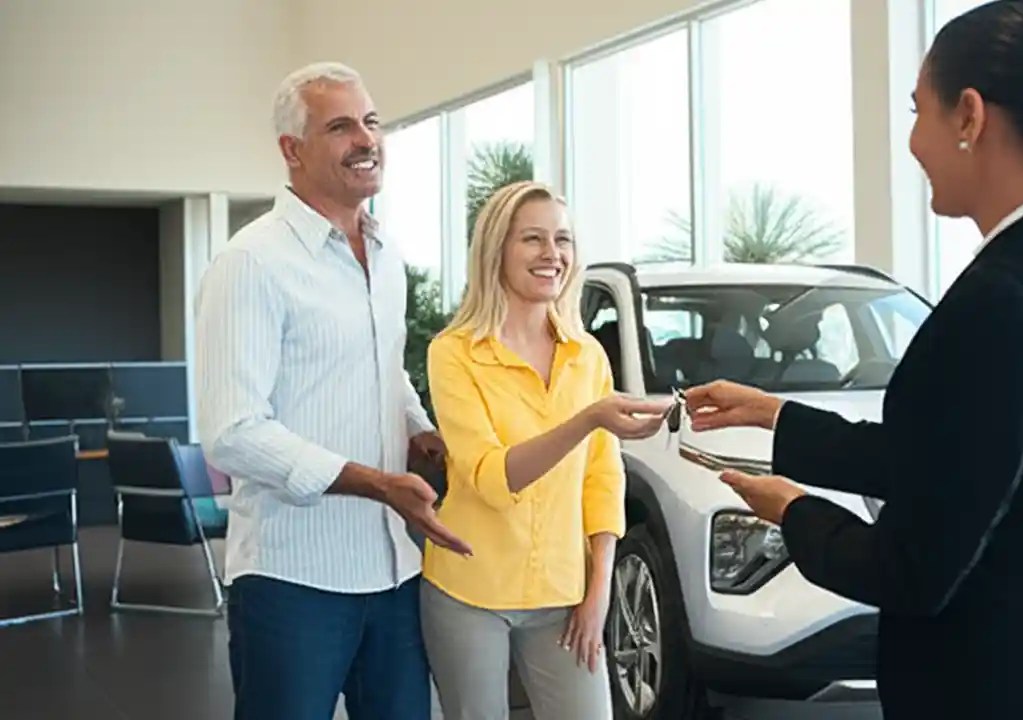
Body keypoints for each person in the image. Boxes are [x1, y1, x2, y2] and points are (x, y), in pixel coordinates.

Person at [683, 2, 1023, 718]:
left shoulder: (1002, 301)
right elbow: (950, 462)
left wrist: (794, 513)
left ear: (968, 116)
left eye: (918, 111)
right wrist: (774, 416)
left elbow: (911, 572)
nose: (912, 142)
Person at [194, 61, 470, 720]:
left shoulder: (388, 251)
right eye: (341, 126)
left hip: (394, 571)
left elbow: (385, 366)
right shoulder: (251, 262)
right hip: (293, 580)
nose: (366, 139)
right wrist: (375, 482)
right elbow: (232, 432)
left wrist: (419, 428)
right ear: (292, 151)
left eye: (371, 122)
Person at [420, 180, 670, 719]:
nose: (551, 254)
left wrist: (598, 587)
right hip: (470, 590)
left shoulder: (587, 356)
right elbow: (490, 477)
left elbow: (602, 482)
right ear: (497, 251)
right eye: (531, 238)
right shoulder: (454, 354)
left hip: (564, 591)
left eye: (562, 239)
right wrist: (586, 420)